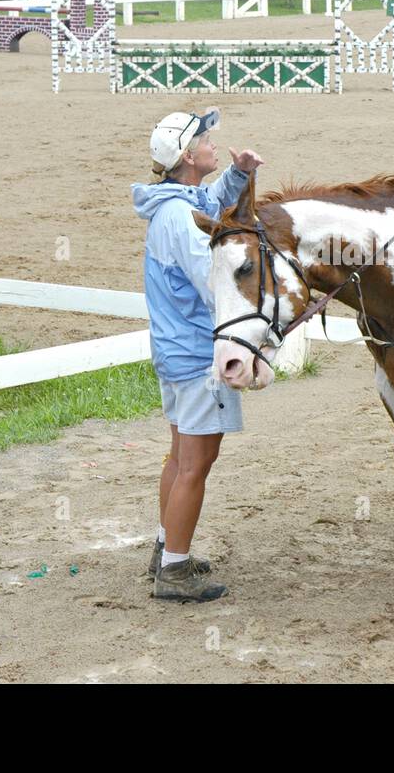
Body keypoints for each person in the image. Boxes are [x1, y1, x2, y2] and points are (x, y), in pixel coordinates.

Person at [131, 110, 265, 602]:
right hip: (194, 356)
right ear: (189, 156)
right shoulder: (180, 219)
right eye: (207, 140)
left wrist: (239, 174)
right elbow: (213, 283)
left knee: (179, 456)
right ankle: (175, 572)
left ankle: (167, 550)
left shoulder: (174, 202)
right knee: (196, 463)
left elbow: (211, 202)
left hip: (172, 349)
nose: (214, 144)